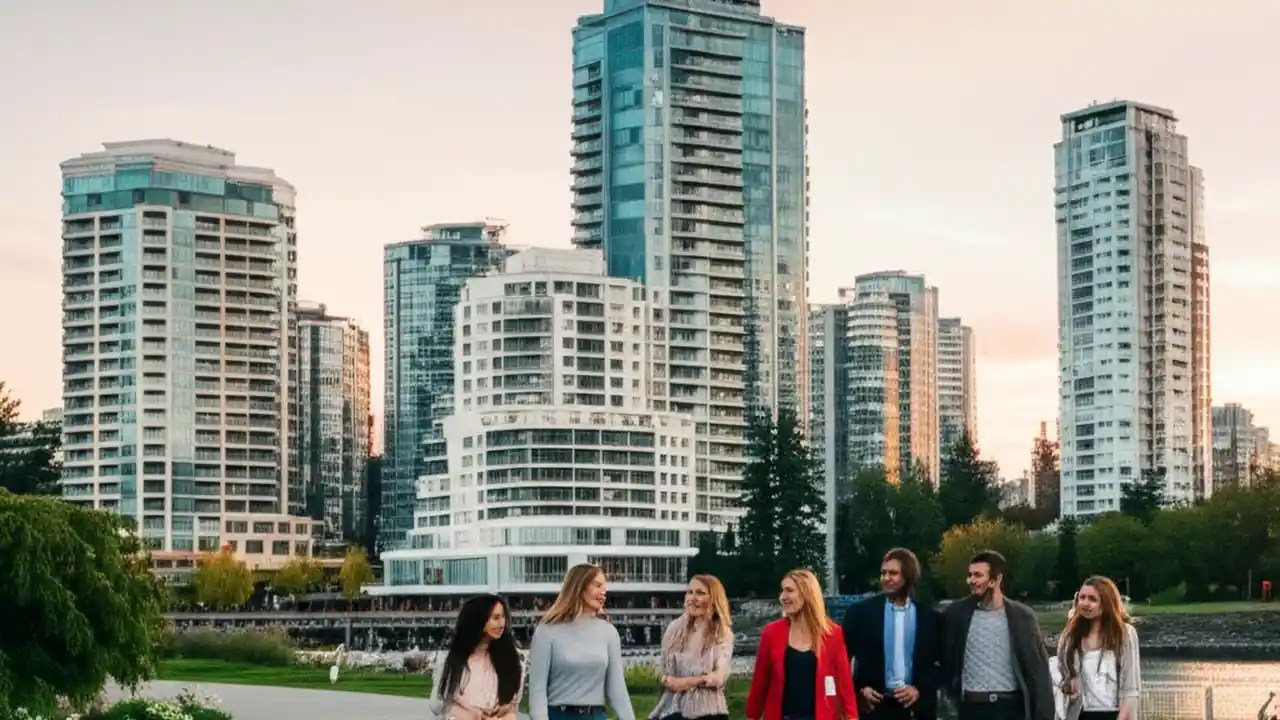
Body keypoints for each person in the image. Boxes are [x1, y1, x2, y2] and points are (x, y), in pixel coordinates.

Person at [942, 550, 1053, 720]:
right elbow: (944, 660)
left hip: (1009, 709)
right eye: (970, 575)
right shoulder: (956, 614)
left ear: (996, 580)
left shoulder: (1022, 617)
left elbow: (1038, 674)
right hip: (970, 708)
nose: (971, 580)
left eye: (978, 575)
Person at [842, 548, 942, 720]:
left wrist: (919, 690)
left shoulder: (929, 617)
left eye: (893, 573)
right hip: (874, 708)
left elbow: (942, 665)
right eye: (883, 573)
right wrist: (860, 690)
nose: (886, 578)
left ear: (908, 576)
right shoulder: (860, 613)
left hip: (916, 710)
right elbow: (842, 659)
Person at [747, 569, 859, 720]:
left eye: (789, 590)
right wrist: (752, 716)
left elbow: (844, 682)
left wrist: (851, 716)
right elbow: (760, 682)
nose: (782, 597)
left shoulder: (832, 634)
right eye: (782, 591)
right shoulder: (771, 633)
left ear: (807, 594)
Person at [528, 563, 633, 720]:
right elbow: (537, 692)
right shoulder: (547, 630)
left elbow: (617, 688)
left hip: (595, 715)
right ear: (580, 587)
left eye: (605, 586)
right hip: (559, 715)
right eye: (597, 585)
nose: (603, 591)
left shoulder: (608, 632)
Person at [649, 574, 734, 720]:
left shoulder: (722, 633)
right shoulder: (673, 629)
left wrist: (683, 683)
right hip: (673, 708)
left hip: (709, 710)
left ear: (713, 599)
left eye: (700, 593)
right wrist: (668, 681)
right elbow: (663, 674)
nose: (692, 598)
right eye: (690, 592)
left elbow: (718, 677)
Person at [1055, 576, 1141, 720]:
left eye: (1092, 599)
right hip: (1079, 714)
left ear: (1106, 603)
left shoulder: (1124, 633)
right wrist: (1069, 683)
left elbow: (1130, 689)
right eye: (1082, 597)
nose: (1085, 603)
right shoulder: (1070, 636)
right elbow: (1062, 678)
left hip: (1114, 713)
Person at [428, 594, 524, 720]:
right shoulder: (453, 662)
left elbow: (514, 703)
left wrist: (506, 710)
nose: (501, 624)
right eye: (495, 618)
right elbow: (437, 705)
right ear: (478, 620)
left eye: (503, 617)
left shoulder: (511, 660)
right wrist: (468, 714)